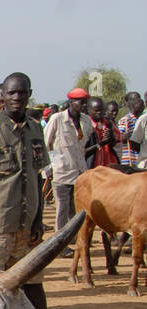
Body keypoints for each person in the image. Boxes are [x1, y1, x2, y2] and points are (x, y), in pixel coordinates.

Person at [0, 72, 86, 309]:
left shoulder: (35, 129)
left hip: (25, 223)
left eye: (22, 93)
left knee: (33, 282)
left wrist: (37, 220)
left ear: (29, 94)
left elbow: (37, 175)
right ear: (3, 97)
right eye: (11, 93)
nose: (17, 98)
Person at [44, 88, 97, 237]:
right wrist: (54, 165)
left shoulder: (86, 121)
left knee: (79, 209)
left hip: (81, 171)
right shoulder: (57, 119)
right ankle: (60, 240)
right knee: (62, 208)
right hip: (62, 172)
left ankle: (76, 238)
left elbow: (85, 145)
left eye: (86, 102)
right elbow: (46, 143)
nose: (84, 105)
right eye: (81, 102)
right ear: (72, 102)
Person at [88, 98, 120, 169]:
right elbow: (82, 151)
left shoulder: (108, 123)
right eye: (96, 110)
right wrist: (101, 143)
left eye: (101, 110)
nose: (99, 112)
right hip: (93, 167)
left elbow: (113, 145)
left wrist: (111, 137)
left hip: (109, 165)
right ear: (89, 110)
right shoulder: (85, 125)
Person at [117, 92, 143, 167]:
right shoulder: (126, 120)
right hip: (129, 158)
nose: (136, 101)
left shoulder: (143, 120)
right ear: (127, 103)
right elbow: (119, 138)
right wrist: (129, 135)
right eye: (133, 99)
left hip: (141, 159)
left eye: (138, 99)